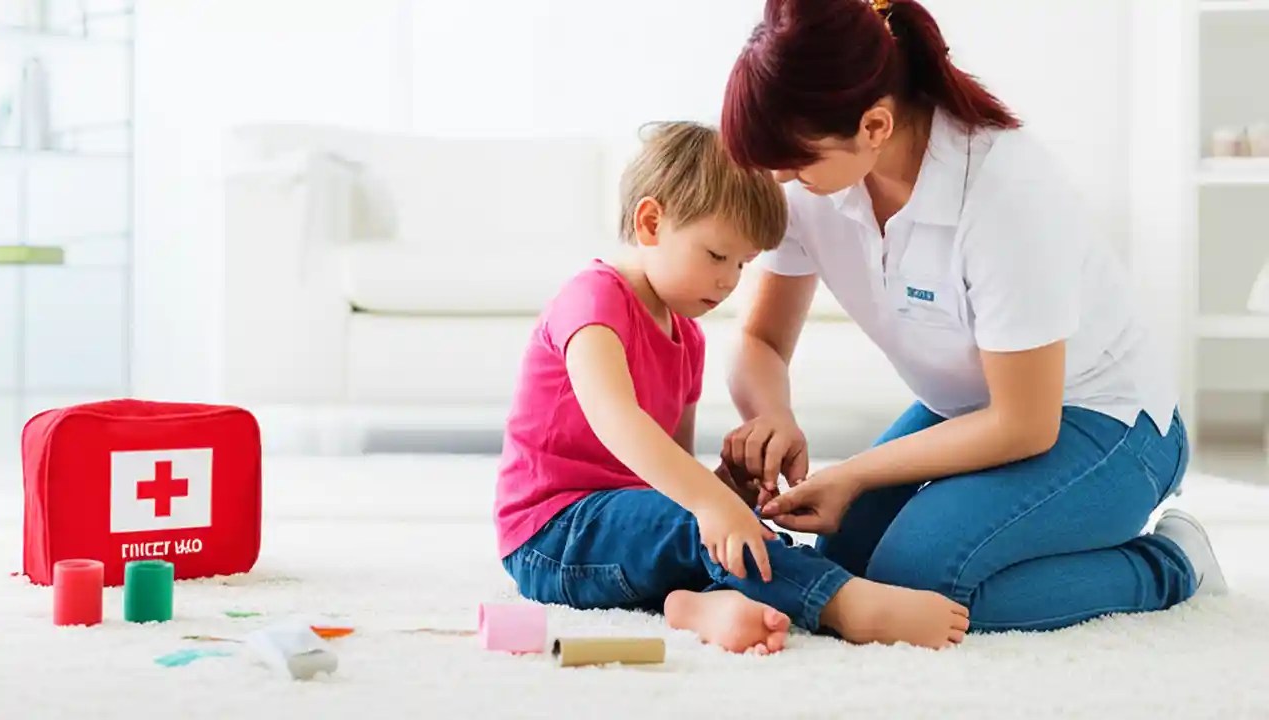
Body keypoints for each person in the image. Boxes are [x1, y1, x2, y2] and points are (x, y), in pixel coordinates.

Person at [718, 0, 1227, 634]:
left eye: (795, 160)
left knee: (915, 581)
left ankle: (1173, 564)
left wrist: (853, 474)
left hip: (1104, 419)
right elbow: (761, 338)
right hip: (972, 410)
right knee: (847, 563)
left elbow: (1025, 423)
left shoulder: (1002, 189)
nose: (779, 177)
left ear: (874, 125)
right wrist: (772, 416)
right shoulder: (812, 183)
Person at [493, 121, 970, 653]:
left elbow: (670, 470)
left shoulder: (688, 338)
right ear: (651, 223)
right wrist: (711, 502)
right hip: (552, 535)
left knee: (720, 523)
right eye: (717, 256)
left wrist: (729, 487)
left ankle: (694, 605)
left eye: (743, 263)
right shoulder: (593, 301)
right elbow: (618, 423)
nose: (729, 280)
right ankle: (843, 603)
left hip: (626, 533)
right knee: (705, 520)